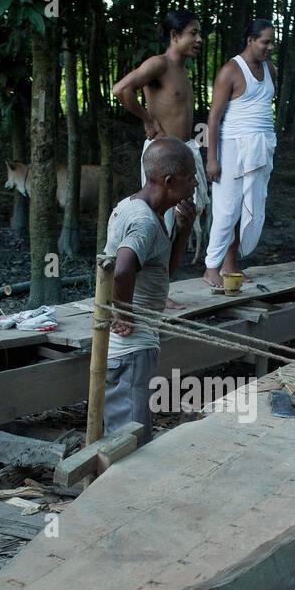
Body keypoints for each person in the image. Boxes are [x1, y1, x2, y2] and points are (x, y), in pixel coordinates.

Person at [101, 138, 198, 446]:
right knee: (127, 439)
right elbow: (122, 268)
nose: (196, 182)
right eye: (191, 176)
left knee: (129, 430)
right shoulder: (144, 221)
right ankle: (116, 493)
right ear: (169, 181)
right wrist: (124, 314)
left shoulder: (136, 208)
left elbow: (161, 271)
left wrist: (183, 229)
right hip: (130, 347)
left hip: (133, 345)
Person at [112, 9, 209, 287]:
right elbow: (121, 90)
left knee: (185, 216)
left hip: (184, 152)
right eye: (193, 33)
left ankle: (163, 286)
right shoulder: (159, 64)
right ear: (174, 35)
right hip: (163, 158)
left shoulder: (182, 70)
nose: (198, 39)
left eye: (199, 33)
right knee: (160, 220)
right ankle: (153, 290)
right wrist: (148, 119)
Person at [203, 19, 277, 290]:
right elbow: (213, 118)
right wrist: (212, 158)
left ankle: (230, 265)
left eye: (272, 42)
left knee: (249, 205)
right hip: (232, 146)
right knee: (226, 208)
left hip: (260, 147)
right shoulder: (231, 71)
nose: (270, 47)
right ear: (250, 40)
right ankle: (211, 266)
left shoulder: (271, 69)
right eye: (264, 42)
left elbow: (263, 109)